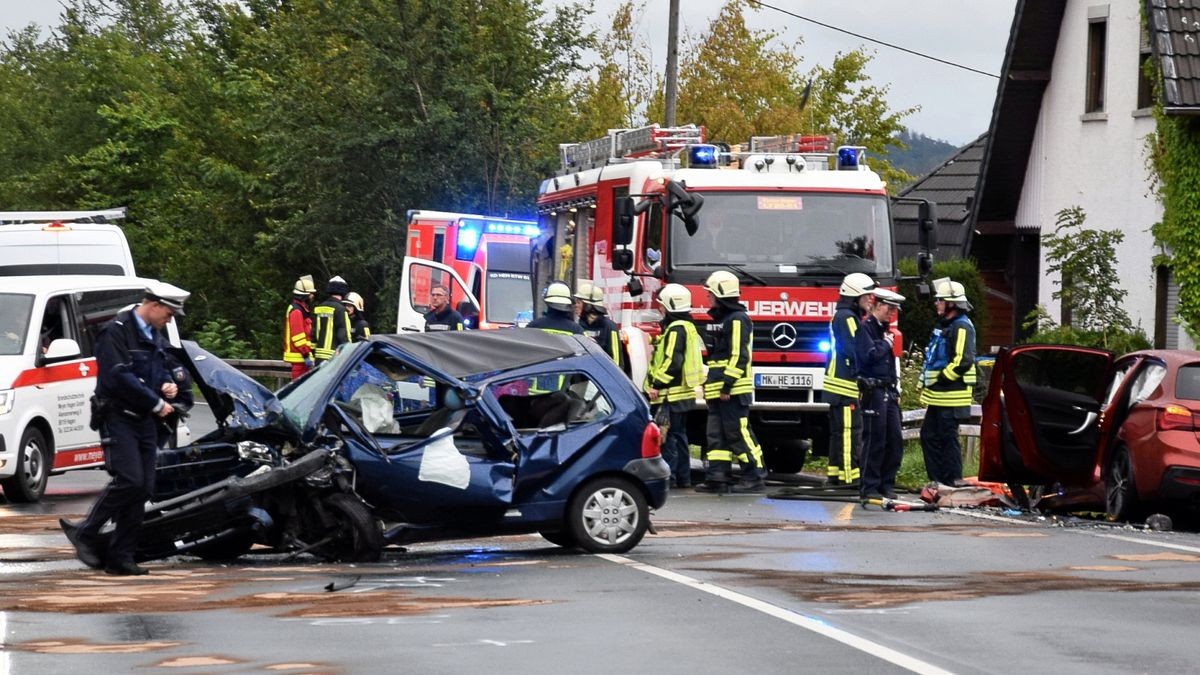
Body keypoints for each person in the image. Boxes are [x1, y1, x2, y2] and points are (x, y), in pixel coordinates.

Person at [64, 281, 190, 576]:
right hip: (119, 416)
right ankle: (85, 531)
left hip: (145, 419)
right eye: (169, 314)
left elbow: (155, 369)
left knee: (143, 487)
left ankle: (121, 555)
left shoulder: (153, 335)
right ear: (154, 305)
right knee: (130, 480)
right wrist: (156, 402)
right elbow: (117, 376)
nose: (169, 320)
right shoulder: (116, 331)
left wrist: (166, 385)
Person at [695, 270, 764, 493]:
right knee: (716, 436)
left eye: (710, 294)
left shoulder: (738, 320)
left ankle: (753, 474)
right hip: (717, 389)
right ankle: (717, 476)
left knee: (738, 432)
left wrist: (727, 384)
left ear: (720, 294)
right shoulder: (722, 320)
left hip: (732, 389)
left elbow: (739, 355)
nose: (708, 298)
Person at [919, 278, 977, 487]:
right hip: (939, 395)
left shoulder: (961, 327)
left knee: (946, 437)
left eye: (940, 300)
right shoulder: (946, 325)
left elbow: (963, 360)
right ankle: (937, 481)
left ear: (952, 303)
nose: (937, 303)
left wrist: (943, 378)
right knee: (929, 436)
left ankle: (952, 481)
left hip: (951, 394)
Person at [646, 283, 704, 488]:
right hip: (683, 393)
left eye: (662, 306)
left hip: (671, 393)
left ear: (669, 307)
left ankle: (668, 479)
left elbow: (672, 361)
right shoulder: (688, 327)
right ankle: (683, 478)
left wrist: (656, 384)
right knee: (679, 436)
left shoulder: (675, 329)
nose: (660, 309)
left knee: (668, 437)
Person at [823, 272, 876, 486]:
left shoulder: (843, 315)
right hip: (844, 384)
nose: (870, 300)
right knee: (849, 432)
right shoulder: (848, 318)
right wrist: (862, 376)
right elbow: (854, 350)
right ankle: (848, 478)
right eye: (866, 296)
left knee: (838, 432)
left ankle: (835, 475)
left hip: (837, 383)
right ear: (855, 296)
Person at [856, 287, 905, 502]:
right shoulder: (865, 329)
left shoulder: (884, 329)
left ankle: (887, 483)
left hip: (888, 390)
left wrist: (896, 388)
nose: (892, 313)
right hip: (873, 391)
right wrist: (885, 344)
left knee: (894, 439)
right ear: (877, 305)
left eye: (894, 309)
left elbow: (890, 363)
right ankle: (869, 486)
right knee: (875, 439)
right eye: (889, 308)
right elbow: (869, 356)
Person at [577, 284, 627, 371]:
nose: (576, 305)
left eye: (579, 302)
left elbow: (616, 361)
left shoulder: (609, 327)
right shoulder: (578, 326)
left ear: (588, 306)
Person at [283, 275, 316, 380]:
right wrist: (306, 355)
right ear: (305, 295)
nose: (312, 296)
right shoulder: (297, 311)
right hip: (300, 359)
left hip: (301, 359)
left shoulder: (301, 309)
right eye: (311, 294)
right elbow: (298, 337)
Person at [312, 275, 352, 362]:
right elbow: (343, 334)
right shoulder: (341, 309)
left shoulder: (318, 308)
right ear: (343, 291)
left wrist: (312, 354)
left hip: (318, 356)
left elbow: (313, 334)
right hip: (334, 357)